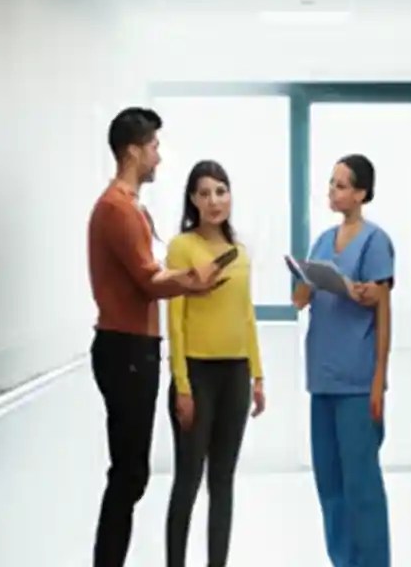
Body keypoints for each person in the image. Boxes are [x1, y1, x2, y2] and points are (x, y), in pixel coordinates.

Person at [88, 107, 225, 567]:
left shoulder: (133, 209)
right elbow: (149, 280)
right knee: (129, 474)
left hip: (136, 349)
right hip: (125, 349)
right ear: (132, 151)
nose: (159, 158)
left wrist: (187, 279)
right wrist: (193, 280)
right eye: (154, 148)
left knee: (132, 474)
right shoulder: (117, 209)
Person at [293, 154, 394, 567]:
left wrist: (378, 381)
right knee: (330, 486)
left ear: (361, 193)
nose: (332, 191)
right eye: (331, 183)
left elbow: (383, 311)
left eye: (341, 184)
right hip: (323, 378)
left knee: (361, 487)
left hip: (357, 381)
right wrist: (303, 280)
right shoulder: (320, 242)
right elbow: (299, 300)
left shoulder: (375, 241)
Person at [164, 160, 266, 567]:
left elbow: (246, 314)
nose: (214, 201)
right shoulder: (182, 247)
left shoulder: (239, 253)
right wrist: (182, 385)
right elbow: (175, 320)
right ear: (193, 199)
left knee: (223, 481)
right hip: (197, 374)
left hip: (236, 374)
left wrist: (258, 375)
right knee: (188, 479)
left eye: (221, 191)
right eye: (204, 193)